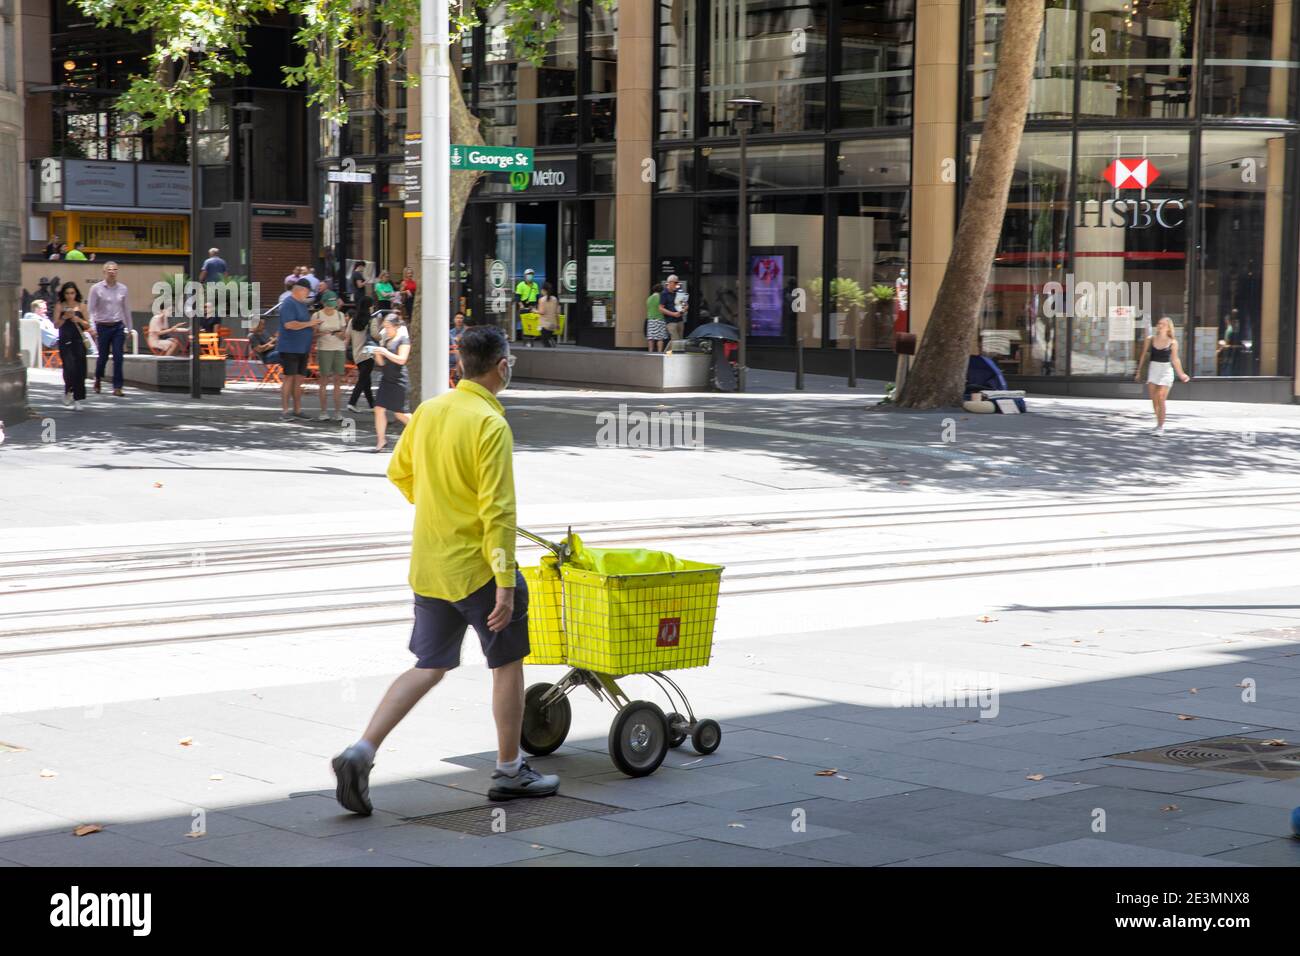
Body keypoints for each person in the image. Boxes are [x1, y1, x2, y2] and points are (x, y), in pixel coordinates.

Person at [331, 325, 558, 813]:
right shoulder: (490, 424)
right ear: (500, 367)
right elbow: (498, 513)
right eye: (510, 362)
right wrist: (504, 586)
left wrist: (435, 501)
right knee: (507, 664)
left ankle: (361, 750)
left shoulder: (431, 410)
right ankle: (510, 770)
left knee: (429, 666)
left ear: (460, 365)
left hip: (431, 566)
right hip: (478, 571)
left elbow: (399, 472)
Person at [1134, 316, 1190, 436]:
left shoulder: (1173, 342)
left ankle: (1160, 426)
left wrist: (1181, 374)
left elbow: (1175, 360)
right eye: (1159, 323)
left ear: (1168, 328)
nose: (1160, 326)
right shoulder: (1150, 339)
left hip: (1166, 371)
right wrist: (1139, 371)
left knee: (1160, 397)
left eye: (1163, 324)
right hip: (1153, 370)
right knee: (1154, 400)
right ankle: (1158, 422)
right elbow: (1143, 355)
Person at [277, 278, 323, 420]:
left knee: (299, 380)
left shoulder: (302, 304)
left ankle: (297, 410)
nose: (308, 295)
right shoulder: (288, 304)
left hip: (302, 348)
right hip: (290, 347)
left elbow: (304, 324)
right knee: (289, 378)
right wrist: (310, 323)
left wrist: (317, 330)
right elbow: (289, 325)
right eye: (308, 292)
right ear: (301, 290)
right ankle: (285, 411)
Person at [370, 313, 412, 452]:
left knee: (400, 414)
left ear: (396, 326)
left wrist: (384, 352)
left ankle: (424, 432)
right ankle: (381, 441)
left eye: (388, 327)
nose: (386, 330)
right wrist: (377, 354)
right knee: (379, 409)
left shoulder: (404, 340)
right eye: (385, 327)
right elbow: (381, 364)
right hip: (386, 378)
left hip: (399, 379)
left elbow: (402, 359)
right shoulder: (386, 339)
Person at [89, 261, 130, 397]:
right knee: (103, 357)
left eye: (115, 269)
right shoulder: (96, 288)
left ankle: (117, 387)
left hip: (118, 326)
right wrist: (93, 328)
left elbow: (126, 309)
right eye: (109, 270)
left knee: (119, 356)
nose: (112, 272)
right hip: (102, 326)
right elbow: (91, 310)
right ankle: (98, 378)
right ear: (104, 272)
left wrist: (129, 328)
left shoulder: (123, 289)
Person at [314, 290, 349, 421]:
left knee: (337, 381)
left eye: (333, 303)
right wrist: (322, 333)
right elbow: (313, 334)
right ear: (323, 303)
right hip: (324, 349)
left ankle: (338, 412)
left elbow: (344, 335)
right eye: (329, 304)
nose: (331, 306)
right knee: (324, 380)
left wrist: (337, 333)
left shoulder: (340, 315)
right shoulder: (317, 315)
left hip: (339, 349)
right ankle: (323, 412)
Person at [54, 295, 90, 409]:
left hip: (78, 342)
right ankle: (68, 389)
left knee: (80, 370)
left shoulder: (81, 306)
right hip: (65, 342)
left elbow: (88, 325)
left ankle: (77, 399)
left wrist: (78, 319)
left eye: (72, 292)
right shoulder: (60, 306)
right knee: (69, 369)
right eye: (67, 293)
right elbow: (56, 325)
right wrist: (64, 317)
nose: (70, 295)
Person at [347, 309, 382, 412]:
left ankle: (372, 404)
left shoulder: (352, 320)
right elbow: (375, 335)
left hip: (356, 353)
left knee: (366, 379)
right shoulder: (371, 320)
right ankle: (352, 402)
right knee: (363, 379)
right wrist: (383, 336)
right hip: (368, 352)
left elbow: (347, 335)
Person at [656, 275, 684, 351]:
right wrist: (673, 314)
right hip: (671, 321)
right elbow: (661, 308)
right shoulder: (664, 293)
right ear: (670, 283)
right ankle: (673, 357)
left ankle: (666, 354)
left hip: (680, 320)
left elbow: (683, 304)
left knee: (678, 341)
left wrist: (685, 307)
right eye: (675, 283)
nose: (677, 285)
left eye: (678, 283)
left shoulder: (677, 292)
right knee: (676, 340)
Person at [537, 282, 560, 348]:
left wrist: (534, 311)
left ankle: (551, 354)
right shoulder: (555, 299)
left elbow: (542, 312)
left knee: (545, 342)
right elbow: (557, 313)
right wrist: (558, 324)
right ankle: (552, 346)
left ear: (544, 290)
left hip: (544, 325)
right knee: (548, 338)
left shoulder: (541, 300)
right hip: (553, 324)